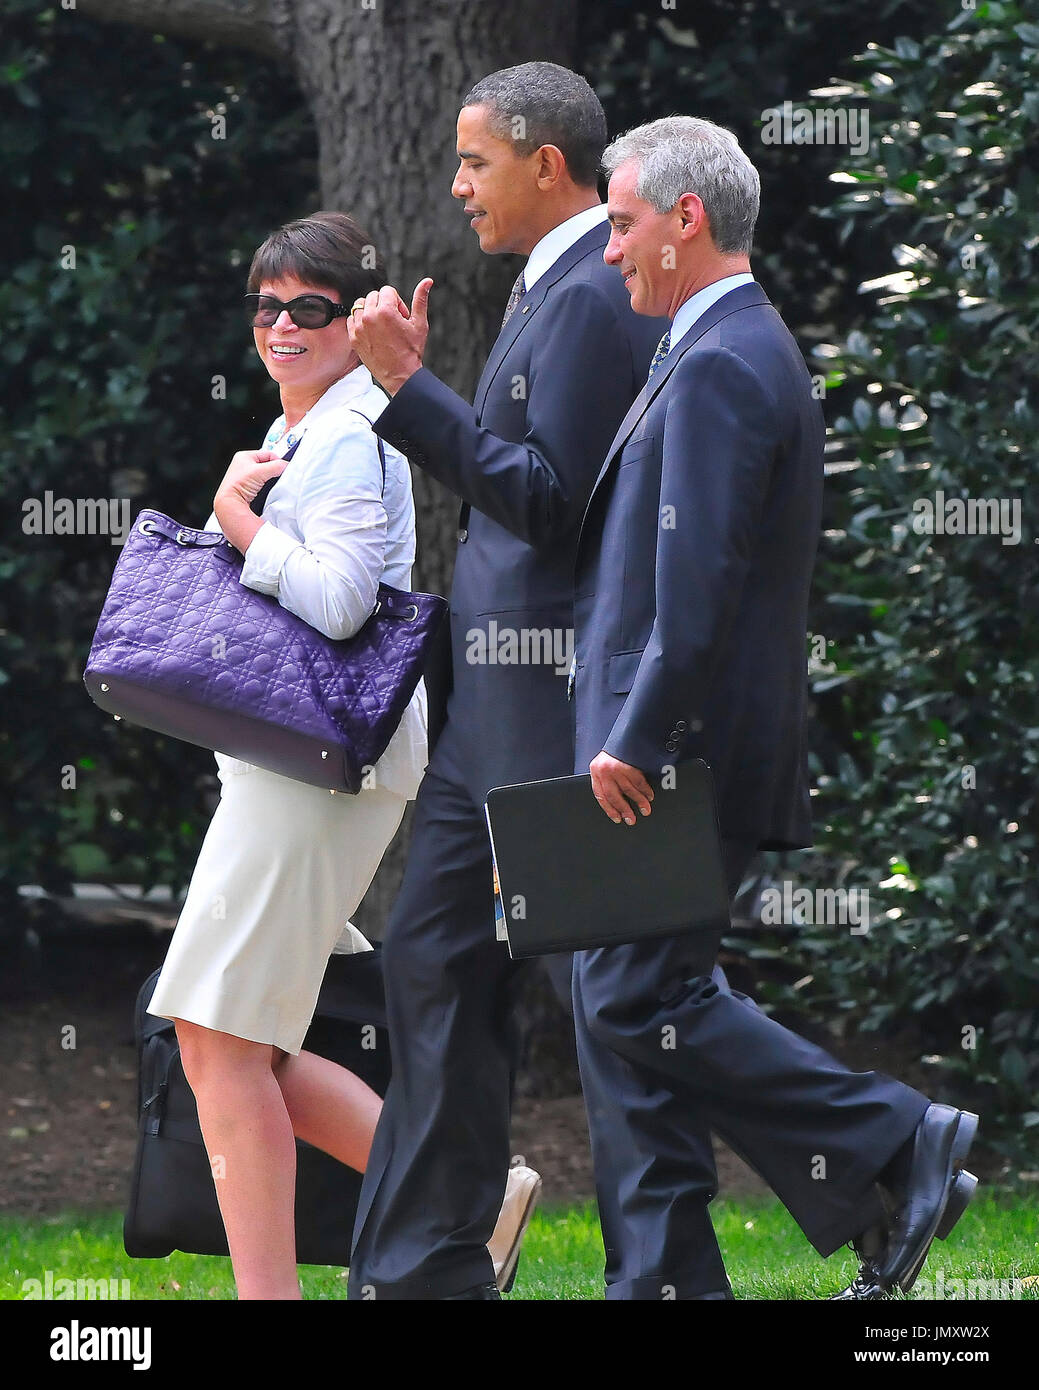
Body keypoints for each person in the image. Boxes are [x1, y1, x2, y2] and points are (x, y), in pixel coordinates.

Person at [569, 115, 979, 1301]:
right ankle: (670, 1280)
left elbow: (692, 599)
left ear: (684, 219)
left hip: (676, 755)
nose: (611, 252)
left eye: (623, 223)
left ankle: (897, 1143)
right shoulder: (723, 349)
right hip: (677, 749)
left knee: (640, 999)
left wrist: (631, 739)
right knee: (630, 1006)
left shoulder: (720, 360)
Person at [341, 63, 715, 1301]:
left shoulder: (595, 303)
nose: (455, 187)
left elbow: (550, 502)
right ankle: (419, 1272)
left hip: (555, 712)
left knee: (624, 1011)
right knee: (431, 963)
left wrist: (409, 389)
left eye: (472, 163)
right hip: (483, 722)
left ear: (541, 162)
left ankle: (868, 1163)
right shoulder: (544, 289)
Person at [146, 211, 536, 1300]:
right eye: (266, 305)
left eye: (309, 307)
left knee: (215, 1037)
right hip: (302, 769)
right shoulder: (317, 426)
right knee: (248, 1044)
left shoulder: (356, 431)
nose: (281, 324)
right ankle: (478, 1197)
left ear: (351, 319)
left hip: (316, 771)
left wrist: (237, 523)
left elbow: (341, 598)